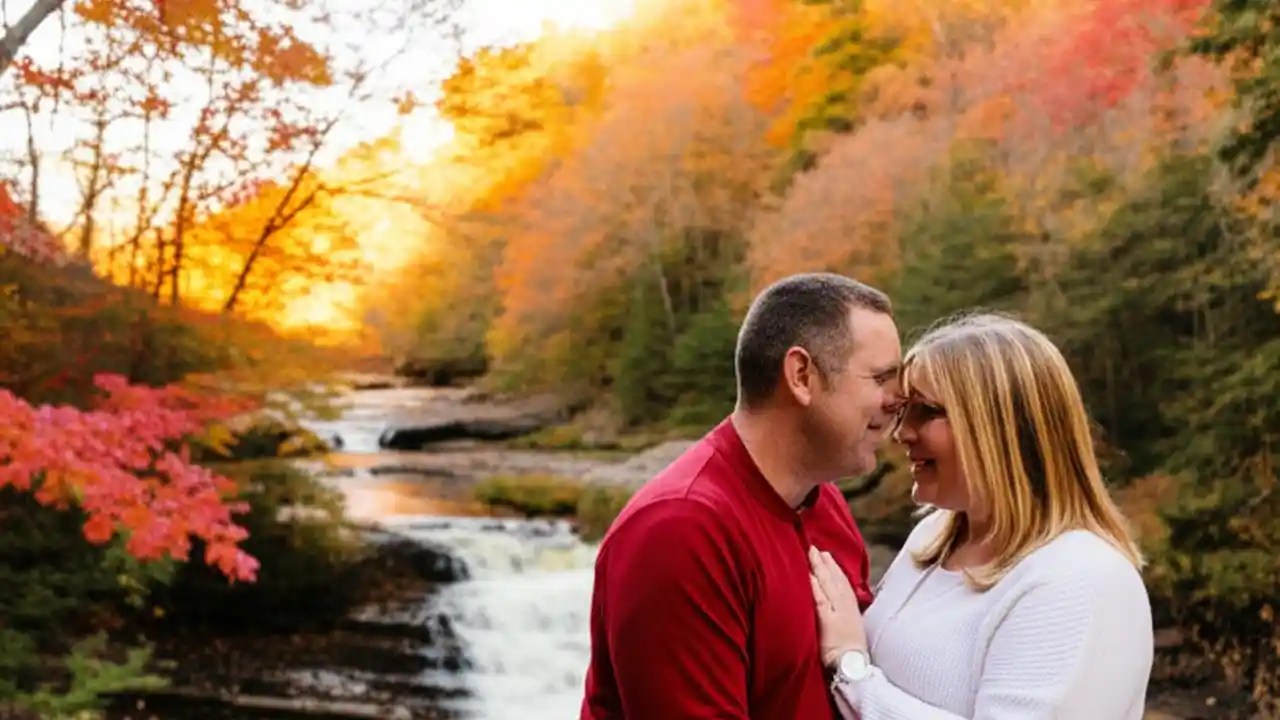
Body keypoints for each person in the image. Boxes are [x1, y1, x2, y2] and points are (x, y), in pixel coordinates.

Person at [579, 273, 904, 719]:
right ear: (801, 375)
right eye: (882, 377)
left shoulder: (824, 504)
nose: (899, 398)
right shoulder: (680, 532)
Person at [808, 312, 1154, 719]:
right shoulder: (931, 537)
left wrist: (852, 671)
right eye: (903, 411)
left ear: (1001, 427)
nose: (901, 432)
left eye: (926, 411)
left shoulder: (1082, 578)